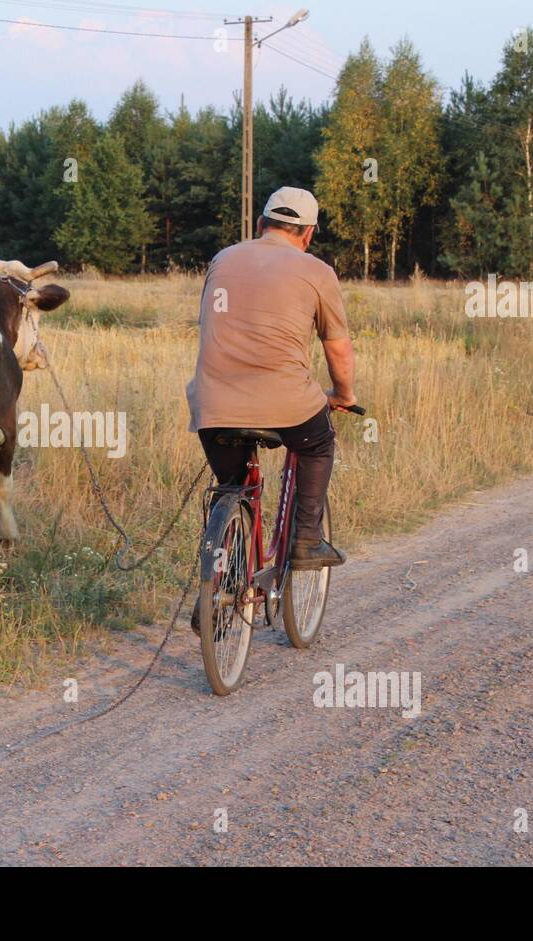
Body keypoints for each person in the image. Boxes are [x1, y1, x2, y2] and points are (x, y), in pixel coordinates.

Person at [185, 186, 358, 631]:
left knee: (232, 484)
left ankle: (220, 578)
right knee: (317, 444)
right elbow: (337, 347)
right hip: (288, 406)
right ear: (308, 234)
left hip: (213, 404)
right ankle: (304, 541)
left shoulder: (222, 259)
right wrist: (343, 394)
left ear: (261, 224)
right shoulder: (316, 270)